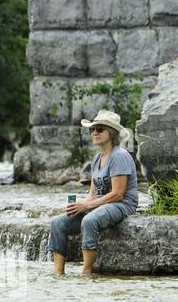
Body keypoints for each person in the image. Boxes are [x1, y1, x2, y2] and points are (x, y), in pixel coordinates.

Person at [49, 109, 137, 277]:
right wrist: (79, 206)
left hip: (122, 205)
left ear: (111, 133)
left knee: (89, 221)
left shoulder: (119, 156)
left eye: (100, 129)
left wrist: (87, 206)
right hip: (100, 205)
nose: (95, 133)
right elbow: (92, 192)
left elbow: (118, 194)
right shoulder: (97, 158)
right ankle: (58, 272)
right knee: (58, 223)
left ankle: (86, 272)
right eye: (92, 130)